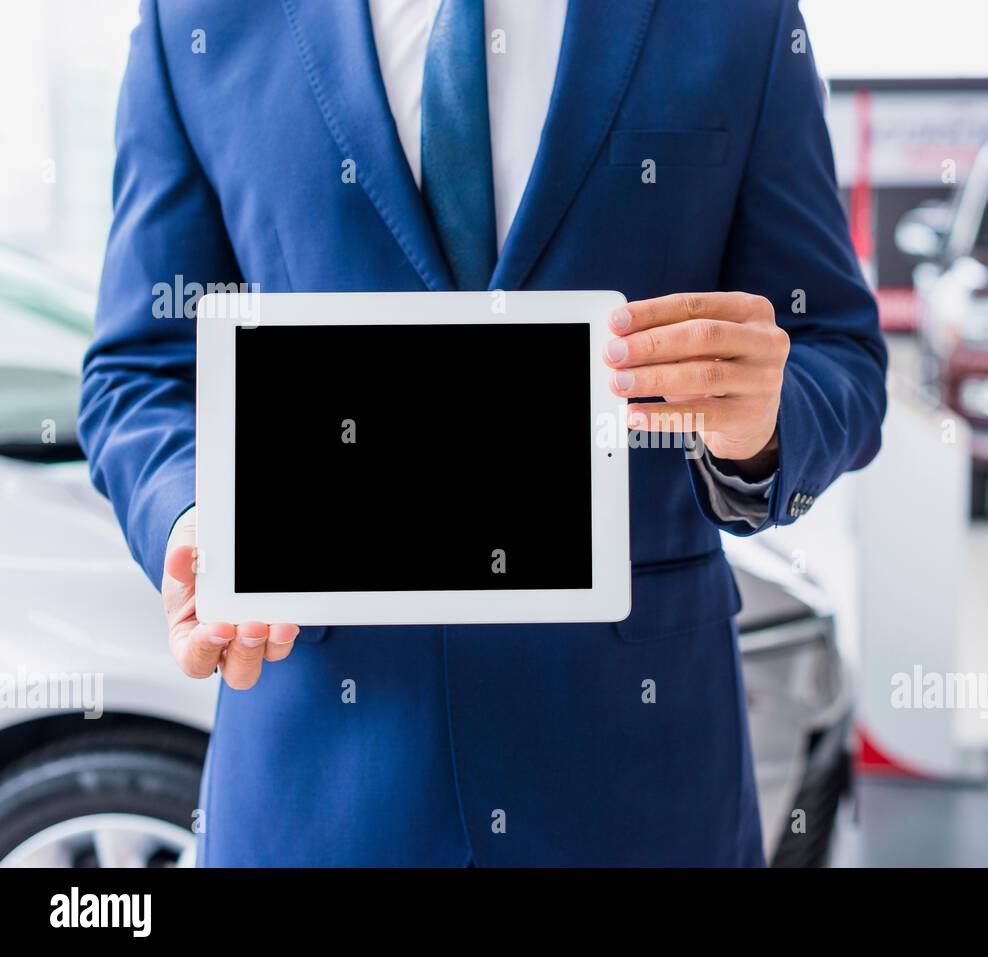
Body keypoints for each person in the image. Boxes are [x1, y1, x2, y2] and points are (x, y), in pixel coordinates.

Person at [80, 0, 887, 866]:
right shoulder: (198, 21)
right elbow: (139, 370)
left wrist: (765, 424)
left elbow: (838, 352)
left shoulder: (736, 17)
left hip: (635, 782)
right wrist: (195, 512)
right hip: (324, 783)